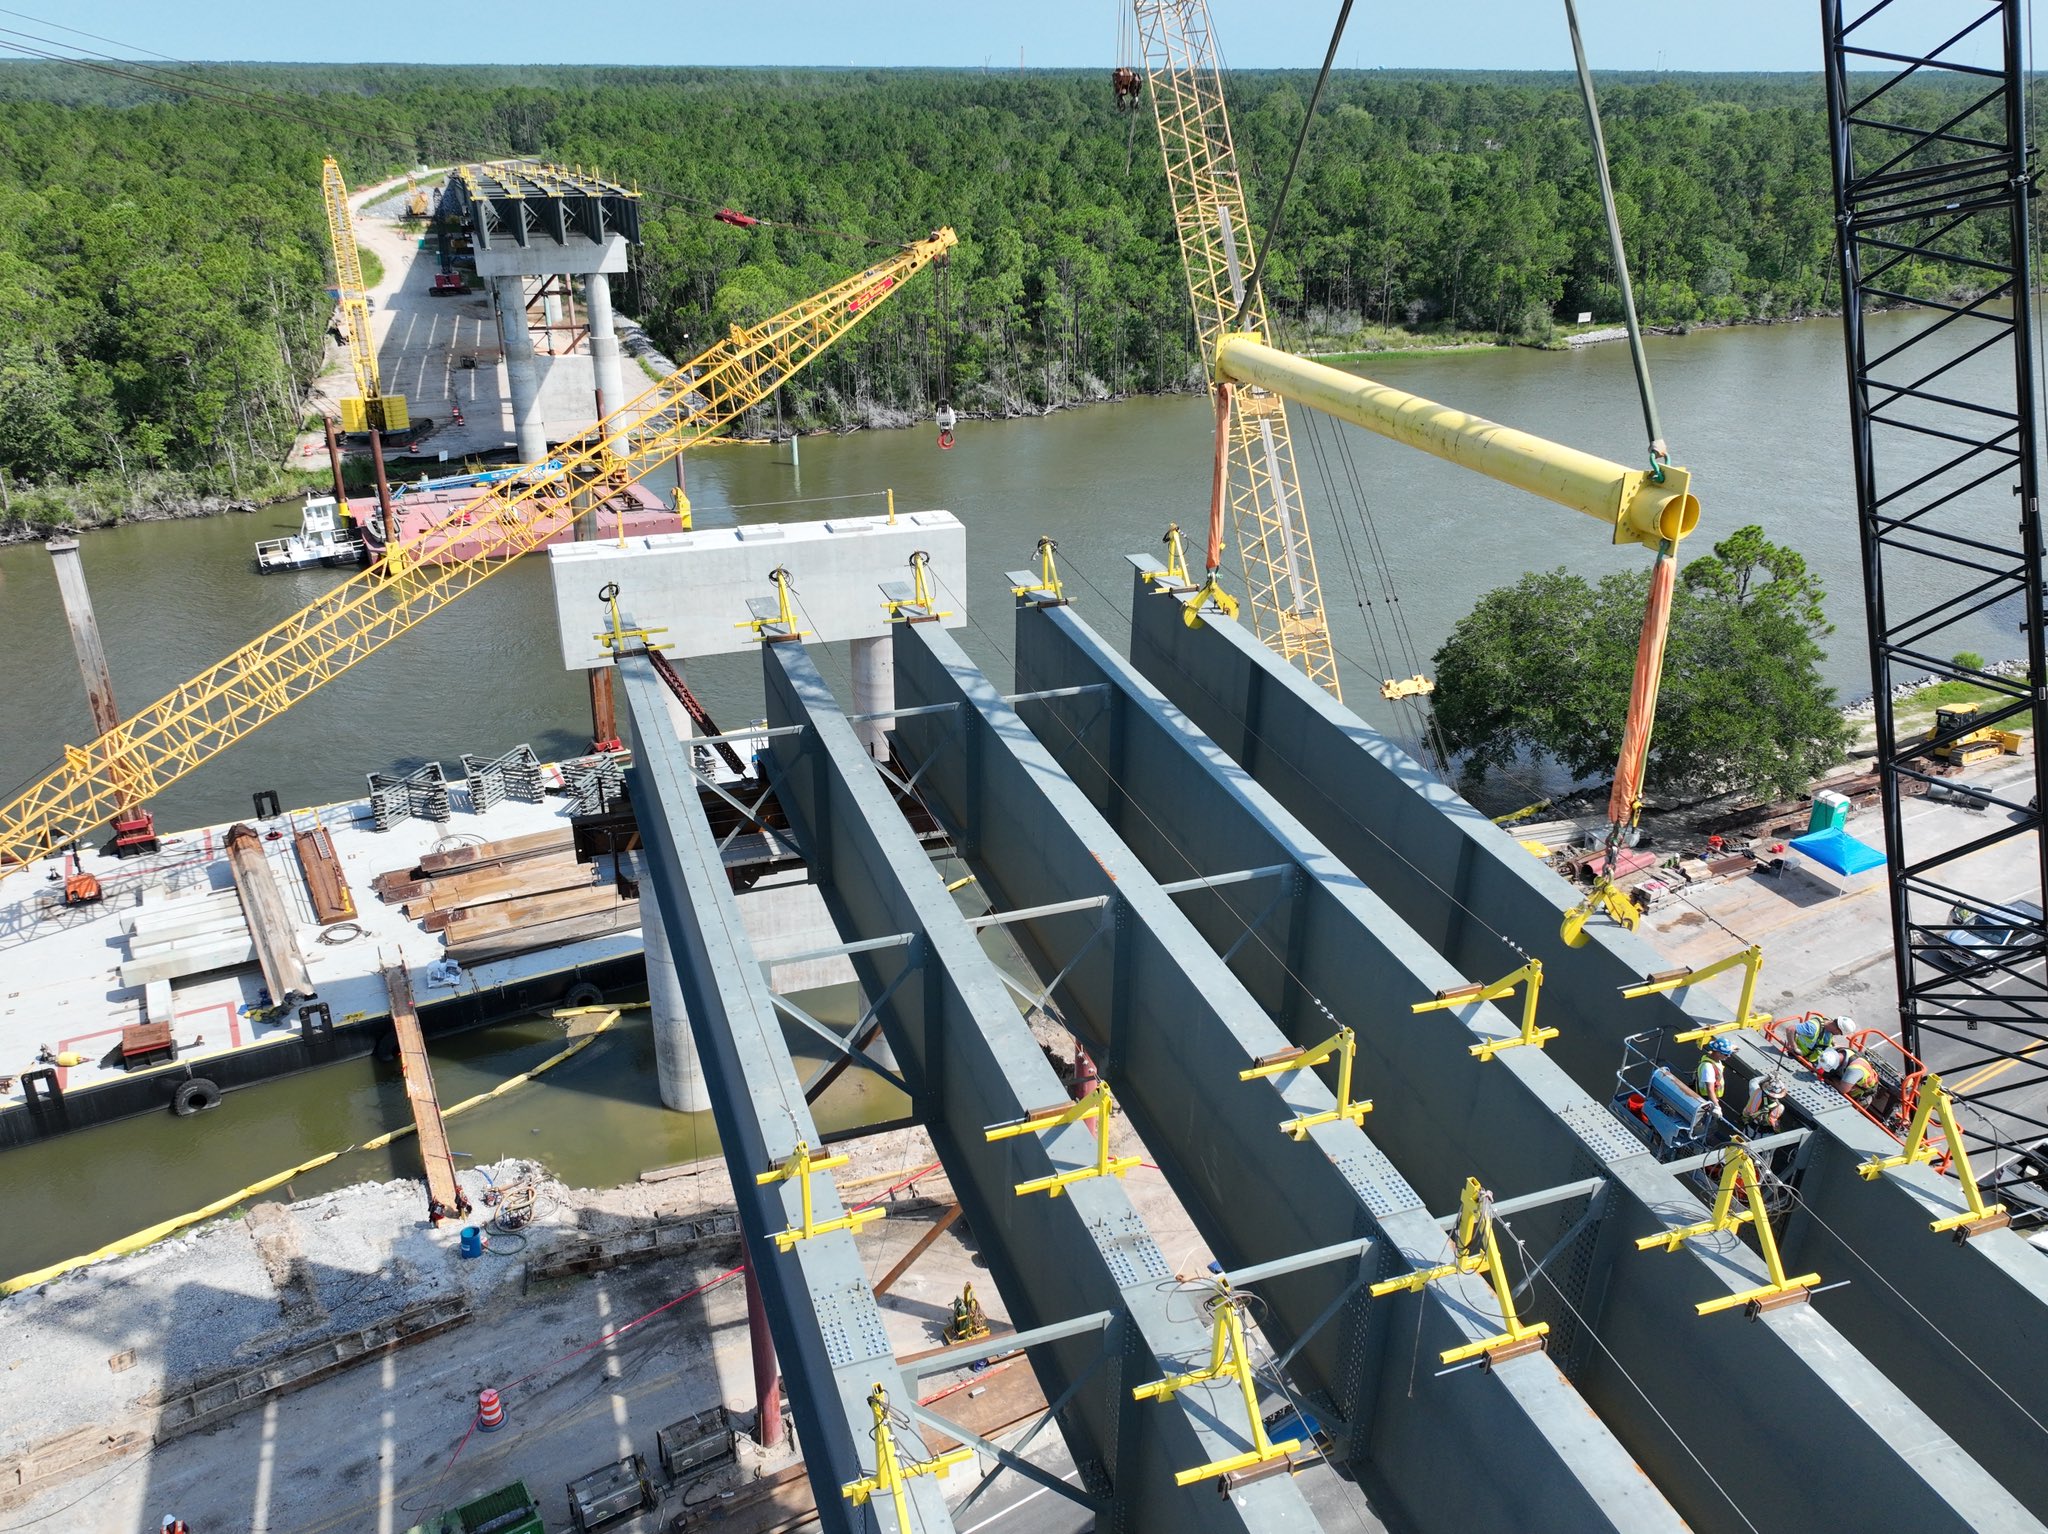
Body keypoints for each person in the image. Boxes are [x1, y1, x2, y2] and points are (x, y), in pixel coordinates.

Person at [1695, 1037, 1735, 1112]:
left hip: (1714, 1097)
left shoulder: (1713, 1057)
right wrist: (1717, 1107)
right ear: (1718, 1053)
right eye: (1726, 1054)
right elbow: (1710, 1089)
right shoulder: (1708, 1067)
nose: (1728, 1056)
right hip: (1707, 1099)